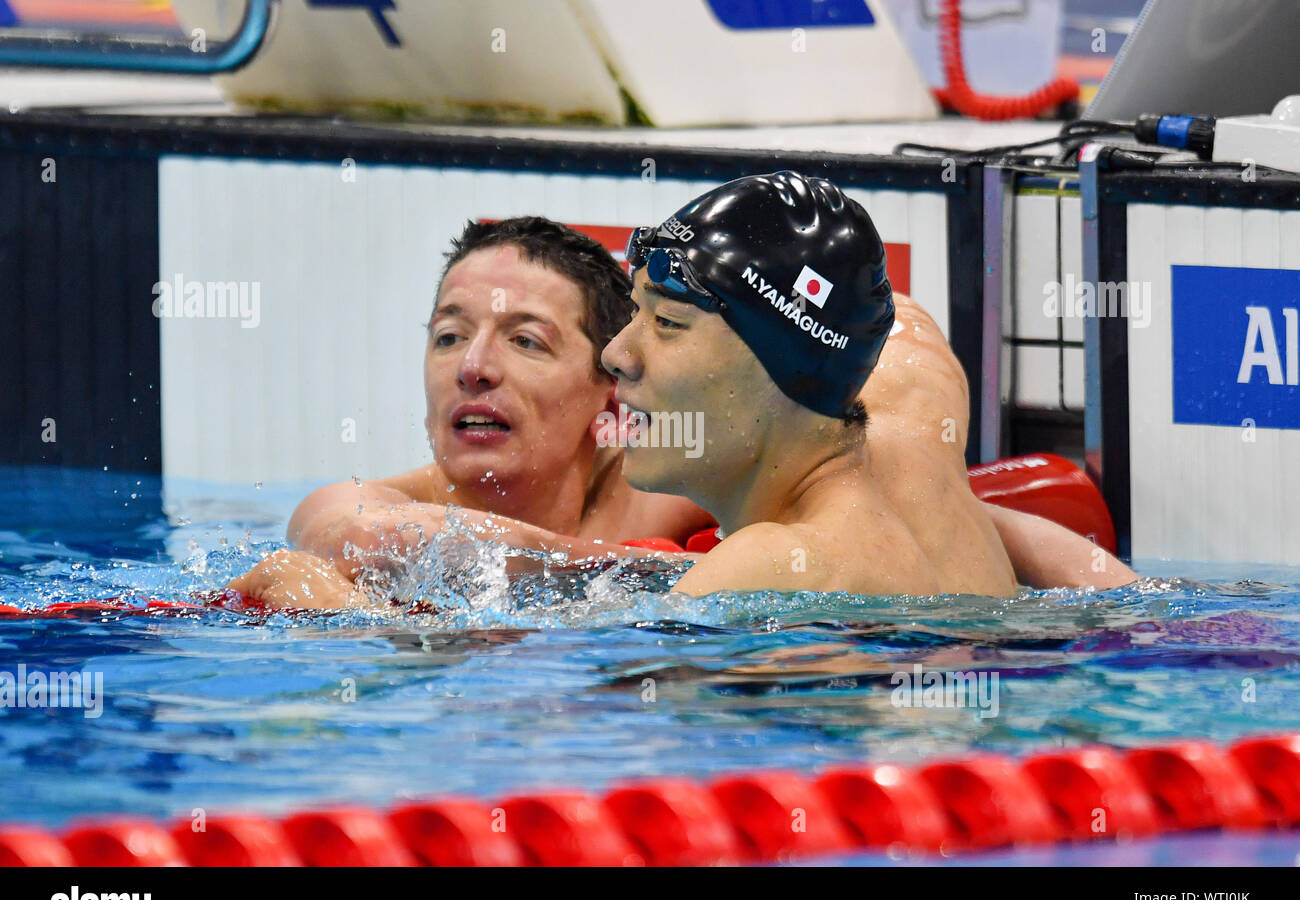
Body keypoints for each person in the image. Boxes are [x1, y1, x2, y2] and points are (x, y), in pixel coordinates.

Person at [230, 200, 1135, 607]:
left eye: (528, 340)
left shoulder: (757, 564)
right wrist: (1121, 603)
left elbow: (586, 715)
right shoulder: (894, 420)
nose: (473, 368)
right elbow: (881, 325)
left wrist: (340, 618)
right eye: (446, 333)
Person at [599, 170, 1132, 597]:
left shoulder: (768, 566)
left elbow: (608, 715)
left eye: (667, 323)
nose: (616, 354)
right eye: (634, 312)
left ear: (783, 369)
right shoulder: (916, 419)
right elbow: (895, 321)